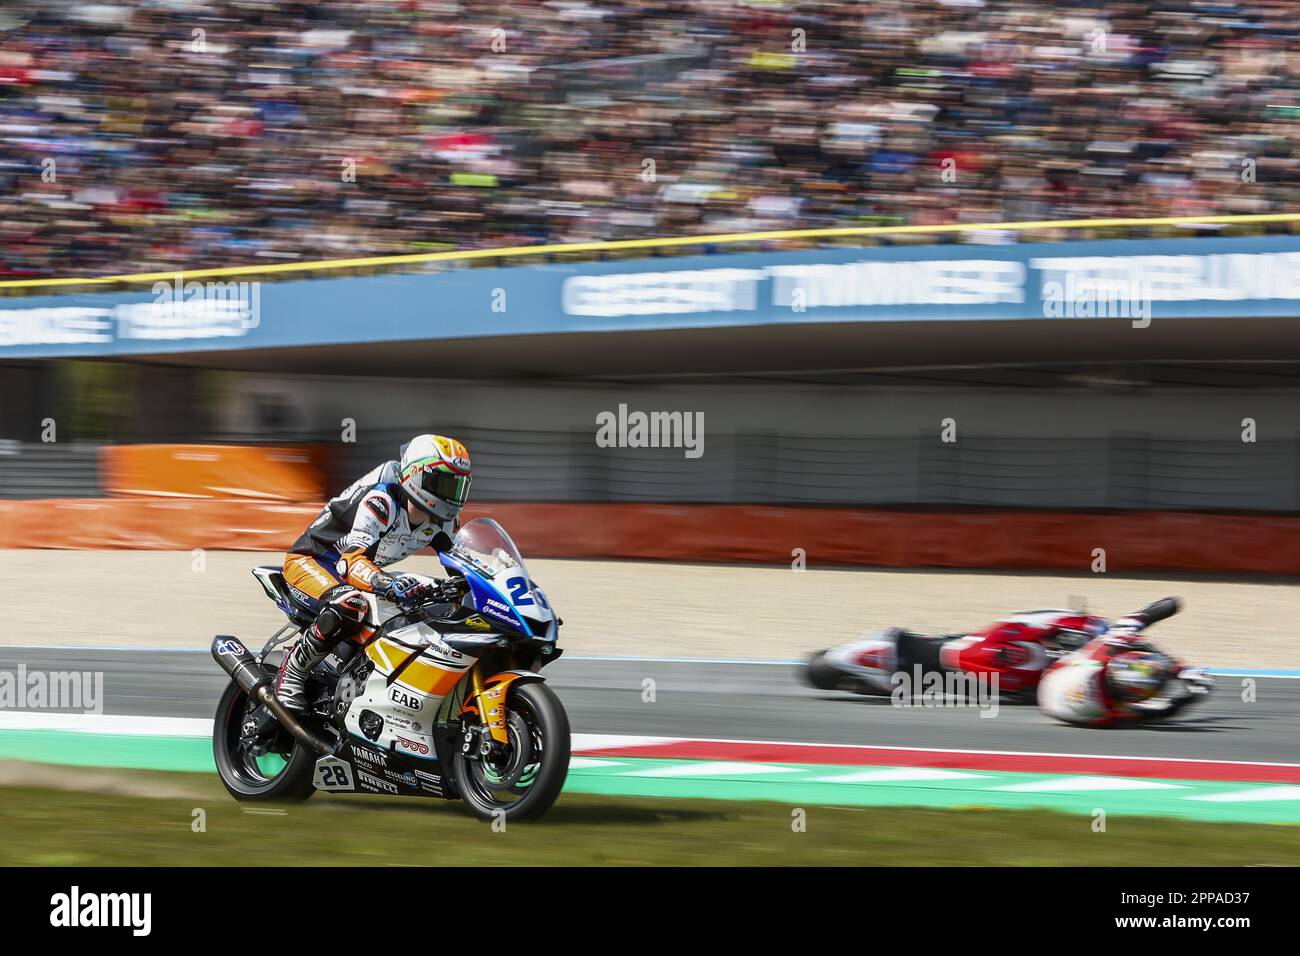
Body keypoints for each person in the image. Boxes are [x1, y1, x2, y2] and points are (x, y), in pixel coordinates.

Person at [274, 434, 472, 712]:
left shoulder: (443, 522)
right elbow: (350, 563)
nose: (453, 495)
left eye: (460, 486)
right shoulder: (383, 501)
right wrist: (387, 583)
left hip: (360, 571)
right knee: (349, 603)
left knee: (430, 611)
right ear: (417, 475)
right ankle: (291, 673)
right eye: (446, 483)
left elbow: (465, 568)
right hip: (313, 562)